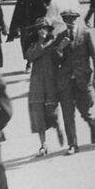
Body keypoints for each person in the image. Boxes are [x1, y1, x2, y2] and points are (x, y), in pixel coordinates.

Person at [53, 8, 95, 155]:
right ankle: (73, 144)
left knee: (85, 111)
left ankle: (92, 124)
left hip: (83, 78)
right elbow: (55, 61)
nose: (70, 22)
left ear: (76, 19)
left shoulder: (85, 33)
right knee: (68, 114)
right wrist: (60, 49)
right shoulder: (60, 36)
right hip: (66, 80)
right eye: (66, 19)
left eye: (72, 18)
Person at [26, 19, 63, 156]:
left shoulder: (54, 44)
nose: (43, 31)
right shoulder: (34, 44)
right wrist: (40, 42)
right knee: (38, 114)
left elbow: (60, 59)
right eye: (40, 29)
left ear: (49, 30)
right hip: (37, 83)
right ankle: (43, 144)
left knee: (52, 111)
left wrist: (59, 50)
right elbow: (30, 56)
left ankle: (57, 126)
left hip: (51, 81)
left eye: (45, 28)